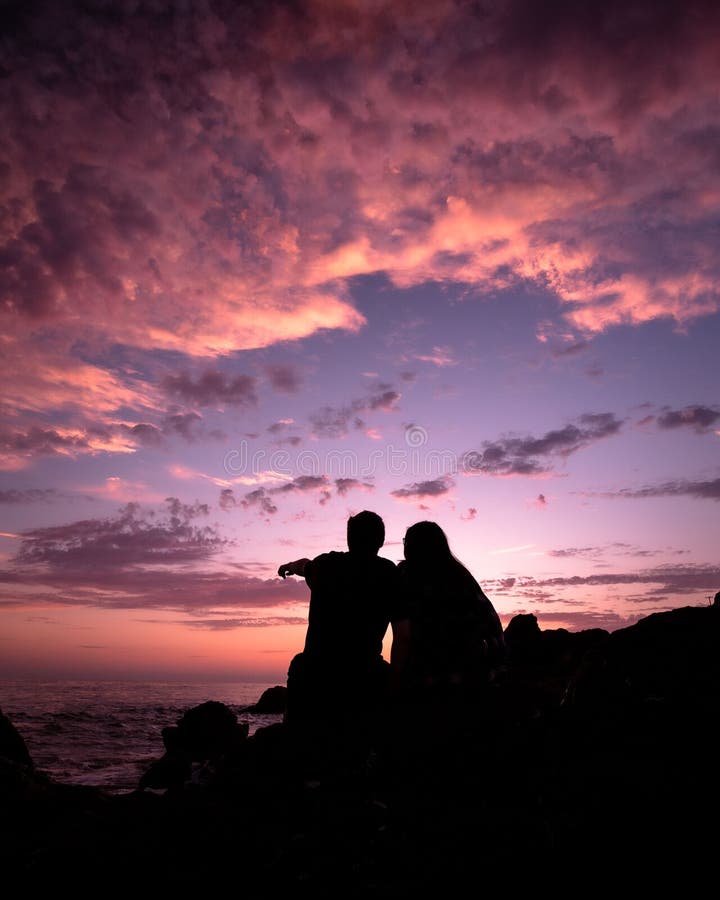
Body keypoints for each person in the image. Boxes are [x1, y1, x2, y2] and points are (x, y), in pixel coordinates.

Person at [278, 510, 410, 731]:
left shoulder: (326, 565)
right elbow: (403, 636)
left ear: (349, 538)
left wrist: (288, 566)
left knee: (300, 741)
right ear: (381, 541)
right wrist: (395, 681)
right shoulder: (390, 574)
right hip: (364, 675)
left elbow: (304, 565)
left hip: (315, 674)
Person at [396, 520, 505, 702]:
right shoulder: (461, 576)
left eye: (405, 542)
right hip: (471, 674)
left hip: (432, 677)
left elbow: (404, 638)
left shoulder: (407, 577)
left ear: (411, 547)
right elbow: (492, 625)